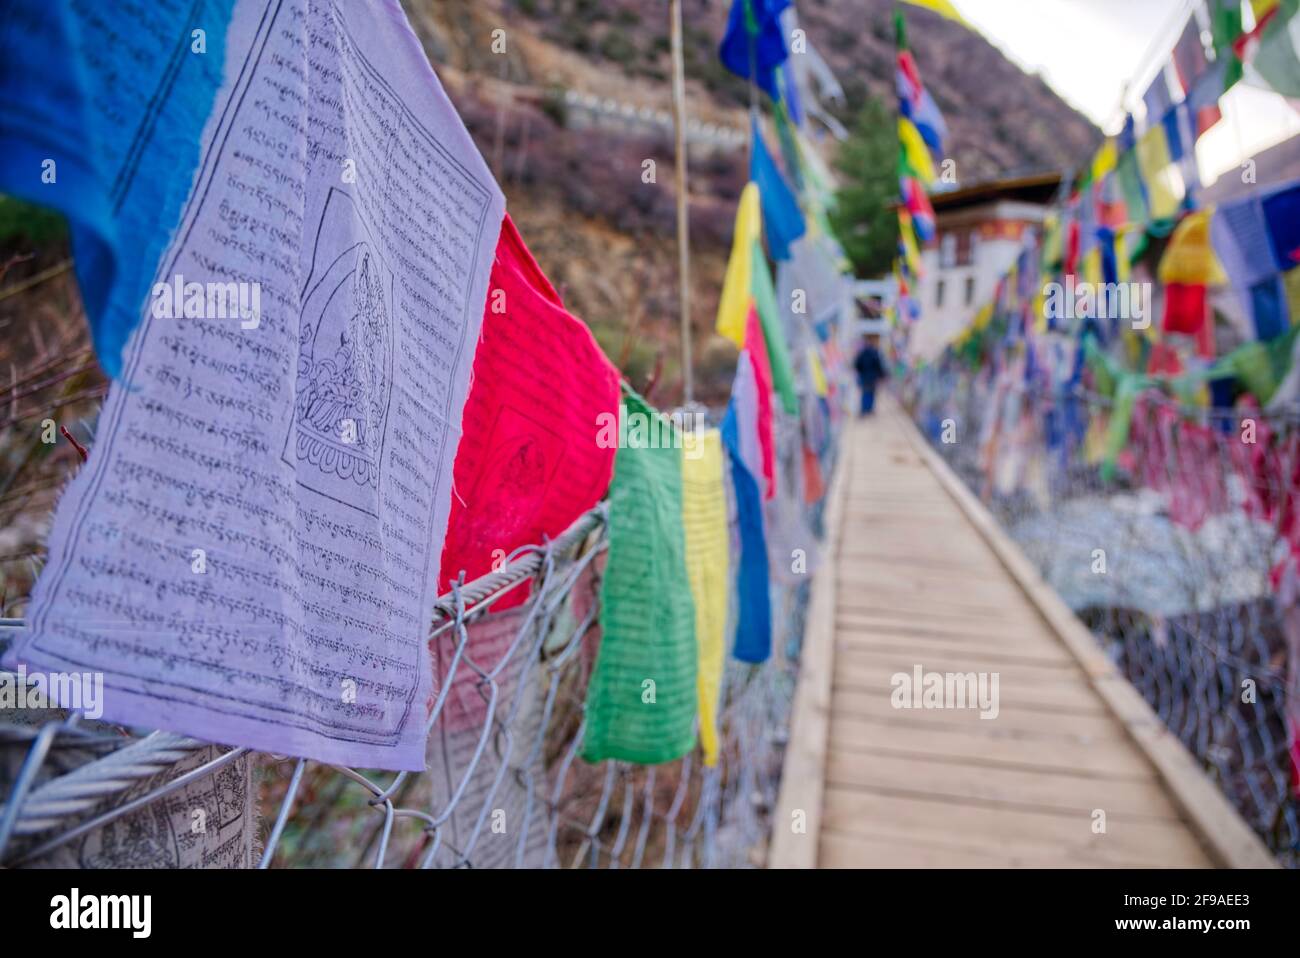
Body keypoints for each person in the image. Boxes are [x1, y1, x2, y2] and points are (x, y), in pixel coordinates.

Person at [852, 335, 887, 416]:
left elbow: (857, 364)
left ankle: (864, 409)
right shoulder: (874, 353)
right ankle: (870, 409)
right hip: (872, 376)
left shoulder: (861, 353)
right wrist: (881, 374)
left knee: (865, 392)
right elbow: (878, 365)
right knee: (871, 393)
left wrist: (860, 372)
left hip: (864, 376)